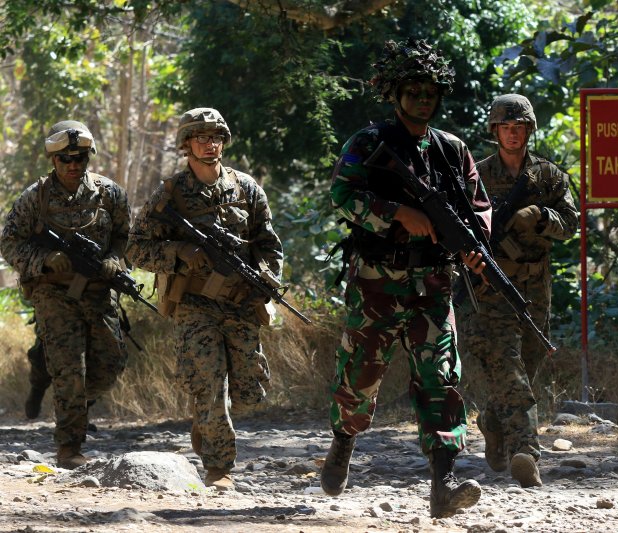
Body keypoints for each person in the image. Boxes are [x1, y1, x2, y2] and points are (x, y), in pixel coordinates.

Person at [321, 38, 490, 519]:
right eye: (413, 91)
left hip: (434, 286)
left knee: (441, 379)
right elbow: (342, 194)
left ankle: (444, 482)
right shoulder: (369, 143)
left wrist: (476, 250)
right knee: (359, 379)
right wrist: (396, 213)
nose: (422, 99)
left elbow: (478, 210)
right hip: (378, 284)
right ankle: (342, 443)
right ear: (395, 95)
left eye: (430, 92)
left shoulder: (452, 150)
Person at [126, 107, 283, 491]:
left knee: (248, 387)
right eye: (201, 138)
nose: (210, 144)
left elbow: (269, 244)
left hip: (240, 300)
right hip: (194, 305)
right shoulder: (170, 195)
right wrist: (179, 253)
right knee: (210, 385)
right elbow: (136, 249)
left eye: (215, 138)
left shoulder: (246, 189)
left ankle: (204, 421)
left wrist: (266, 277)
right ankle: (219, 468)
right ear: (186, 145)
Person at [457, 94, 578, 487]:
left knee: (527, 365)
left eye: (519, 126)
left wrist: (541, 216)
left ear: (529, 129)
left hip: (534, 287)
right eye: (506, 127)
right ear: (496, 131)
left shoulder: (548, 176)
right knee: (510, 371)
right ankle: (526, 451)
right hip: (490, 290)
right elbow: (456, 227)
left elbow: (572, 223)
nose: (513, 133)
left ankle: (493, 420)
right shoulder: (476, 175)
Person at [0, 120, 130, 469]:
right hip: (53, 293)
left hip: (98, 290)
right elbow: (10, 242)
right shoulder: (35, 197)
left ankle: (44, 371)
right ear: (53, 161)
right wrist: (44, 259)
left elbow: (125, 237)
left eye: (81, 159)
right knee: (71, 368)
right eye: (66, 160)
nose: (74, 166)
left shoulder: (110, 194)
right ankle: (69, 446)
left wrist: (115, 260)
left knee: (110, 362)